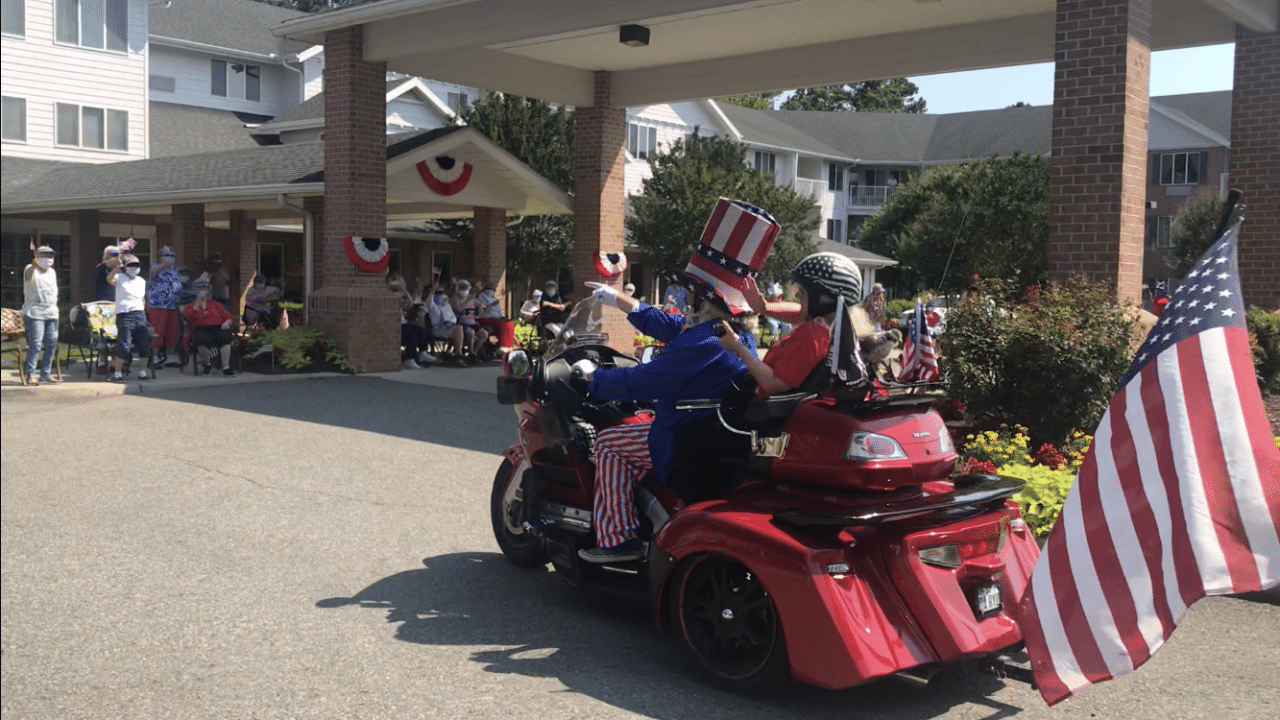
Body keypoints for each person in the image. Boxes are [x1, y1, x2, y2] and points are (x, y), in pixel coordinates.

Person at [574, 198, 780, 563]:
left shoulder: (702, 341)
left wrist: (595, 378)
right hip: (707, 426)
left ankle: (617, 539)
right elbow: (669, 325)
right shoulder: (728, 332)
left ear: (705, 297)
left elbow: (645, 382)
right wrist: (618, 299)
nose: (687, 297)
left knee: (608, 441)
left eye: (693, 292)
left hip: (683, 433)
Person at [717, 252, 864, 397]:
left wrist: (738, 346)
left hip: (770, 413)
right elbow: (798, 312)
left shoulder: (811, 334)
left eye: (802, 292)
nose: (798, 297)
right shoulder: (834, 328)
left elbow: (774, 385)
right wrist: (763, 308)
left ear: (823, 298)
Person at [107, 253, 151, 382]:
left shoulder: (142, 281)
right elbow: (109, 279)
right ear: (125, 266)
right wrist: (116, 268)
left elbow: (142, 299)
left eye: (136, 265)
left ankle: (142, 372)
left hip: (140, 315)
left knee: (144, 345)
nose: (134, 267)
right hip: (125, 315)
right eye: (131, 265)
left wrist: (144, 313)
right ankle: (117, 374)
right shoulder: (120, 277)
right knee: (124, 344)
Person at [183, 273, 237, 377]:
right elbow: (189, 318)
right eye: (201, 288)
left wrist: (228, 321)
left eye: (205, 288)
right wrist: (197, 303)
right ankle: (207, 365)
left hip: (217, 327)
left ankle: (226, 368)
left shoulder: (215, 304)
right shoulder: (190, 305)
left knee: (225, 337)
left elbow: (229, 316)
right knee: (202, 340)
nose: (203, 290)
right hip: (201, 328)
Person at [22, 244, 60, 385]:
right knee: (36, 344)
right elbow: (28, 275)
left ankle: (46, 373)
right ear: (37, 256)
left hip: (51, 312)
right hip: (35, 312)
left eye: (51, 256)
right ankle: (30, 373)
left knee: (51, 344)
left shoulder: (52, 272)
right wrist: (33, 266)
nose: (49, 259)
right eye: (45, 256)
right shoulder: (30, 268)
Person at [147, 245, 183, 367]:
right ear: (160, 257)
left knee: (173, 331)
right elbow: (152, 275)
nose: (170, 258)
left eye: (172, 256)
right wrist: (163, 265)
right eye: (167, 255)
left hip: (172, 305)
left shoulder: (174, 270)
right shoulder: (155, 266)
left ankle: (170, 357)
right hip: (158, 305)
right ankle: (155, 357)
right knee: (157, 331)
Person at [451, 279, 490, 362]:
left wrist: (481, 308)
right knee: (470, 333)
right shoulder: (455, 298)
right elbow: (458, 309)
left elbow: (480, 306)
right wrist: (467, 301)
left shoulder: (472, 298)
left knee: (484, 334)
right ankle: (471, 351)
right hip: (462, 322)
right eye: (462, 288)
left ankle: (475, 352)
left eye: (466, 289)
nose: (464, 290)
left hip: (473, 322)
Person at [427, 285, 467, 365]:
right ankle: (458, 354)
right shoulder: (433, 306)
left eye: (442, 293)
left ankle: (457, 353)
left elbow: (453, 317)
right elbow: (429, 302)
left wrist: (451, 322)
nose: (441, 295)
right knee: (458, 329)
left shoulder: (446, 305)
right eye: (438, 293)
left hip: (449, 328)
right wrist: (432, 292)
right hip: (437, 329)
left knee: (459, 328)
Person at [475, 281, 516, 353]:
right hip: (485, 317)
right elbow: (481, 309)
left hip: (496, 317)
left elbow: (498, 311)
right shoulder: (481, 296)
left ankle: (507, 345)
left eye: (492, 289)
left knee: (510, 323)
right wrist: (489, 306)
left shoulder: (494, 298)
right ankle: (501, 347)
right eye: (489, 289)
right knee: (503, 324)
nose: (490, 291)